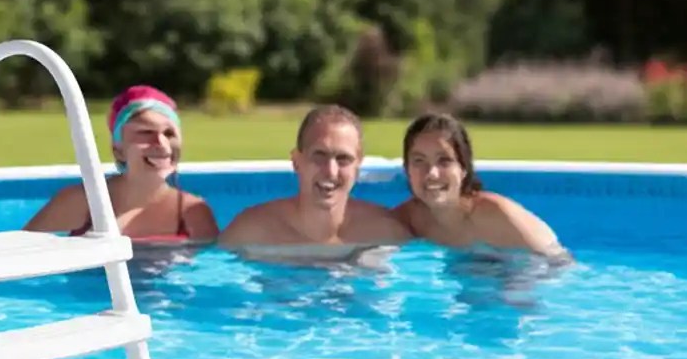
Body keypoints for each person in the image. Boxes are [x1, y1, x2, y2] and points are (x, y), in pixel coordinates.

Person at [23, 85, 219, 245]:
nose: (161, 143)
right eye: (145, 133)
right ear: (118, 149)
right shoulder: (81, 202)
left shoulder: (193, 213)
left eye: (170, 134)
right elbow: (17, 257)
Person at [217, 104, 410, 260]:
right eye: (319, 156)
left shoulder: (385, 231)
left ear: (357, 167)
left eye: (343, 159)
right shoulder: (251, 232)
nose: (331, 172)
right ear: (296, 161)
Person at [393, 112, 567, 259]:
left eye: (444, 160)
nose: (432, 173)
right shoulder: (404, 222)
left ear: (463, 168)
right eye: (419, 161)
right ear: (407, 169)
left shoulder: (497, 216)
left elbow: (558, 263)